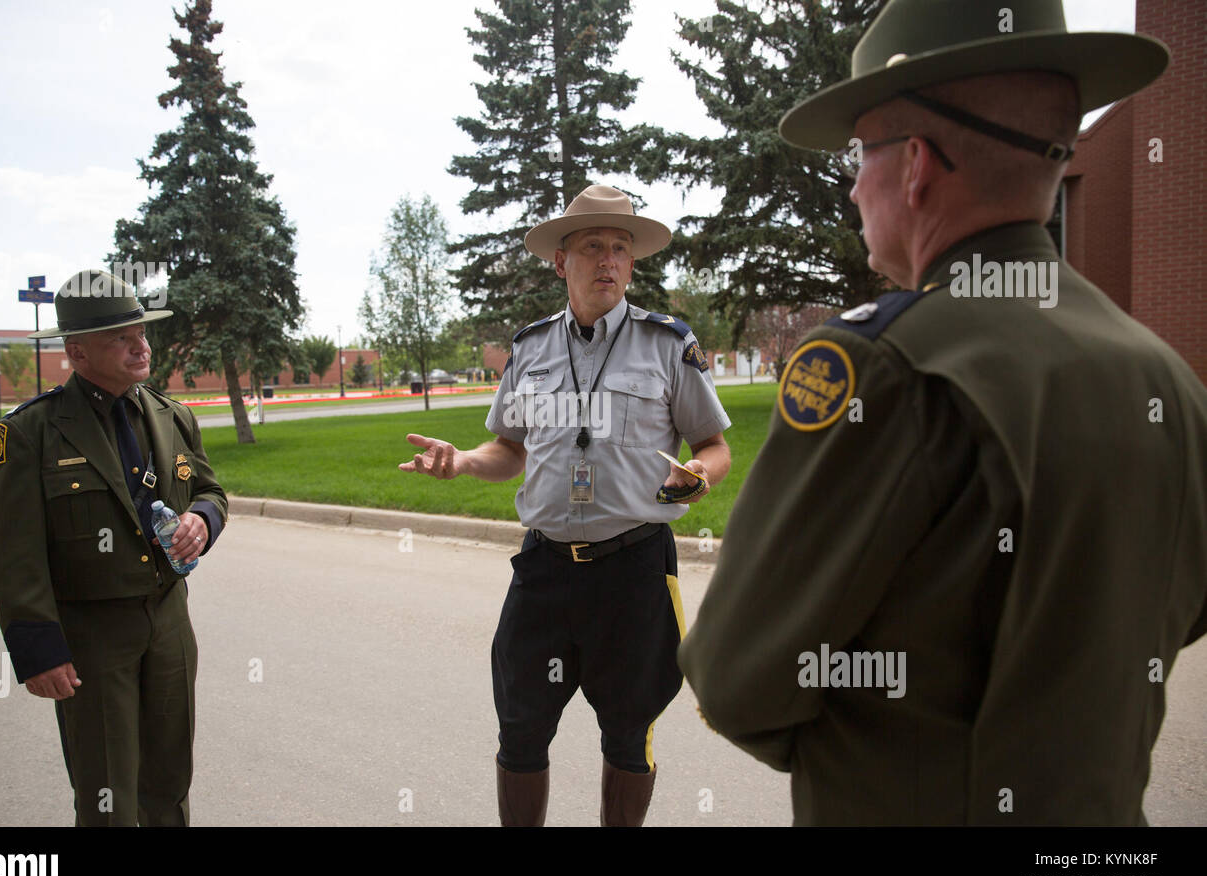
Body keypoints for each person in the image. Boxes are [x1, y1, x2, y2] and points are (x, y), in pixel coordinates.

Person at [679, 0, 1207, 826]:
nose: (853, 186)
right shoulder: (1165, 378)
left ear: (917, 164)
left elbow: (737, 676)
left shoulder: (884, 368)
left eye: (860, 155)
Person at [401, 185, 732, 826]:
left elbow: (714, 445)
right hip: (546, 570)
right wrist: (463, 461)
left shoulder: (667, 343)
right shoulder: (530, 349)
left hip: (634, 570)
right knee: (521, 728)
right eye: (591, 248)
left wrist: (699, 474)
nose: (607, 260)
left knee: (629, 734)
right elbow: (507, 447)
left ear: (631, 264)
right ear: (561, 261)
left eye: (619, 249)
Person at [0, 269, 227, 826]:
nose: (140, 345)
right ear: (77, 351)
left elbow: (210, 490)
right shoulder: (29, 433)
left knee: (168, 784)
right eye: (121, 336)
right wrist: (39, 651)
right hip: (91, 637)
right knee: (107, 795)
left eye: (141, 331)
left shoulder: (171, 416)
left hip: (168, 623)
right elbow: (14, 554)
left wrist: (202, 522)